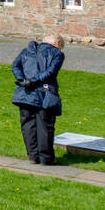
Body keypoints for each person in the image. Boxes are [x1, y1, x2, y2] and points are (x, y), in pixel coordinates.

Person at [11, 35, 65, 165]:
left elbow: (15, 66)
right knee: (45, 126)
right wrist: (34, 81)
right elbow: (51, 72)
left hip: (25, 93)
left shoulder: (27, 51)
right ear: (57, 42)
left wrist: (22, 80)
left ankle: (33, 157)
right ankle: (46, 158)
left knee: (28, 125)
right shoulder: (57, 53)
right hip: (44, 94)